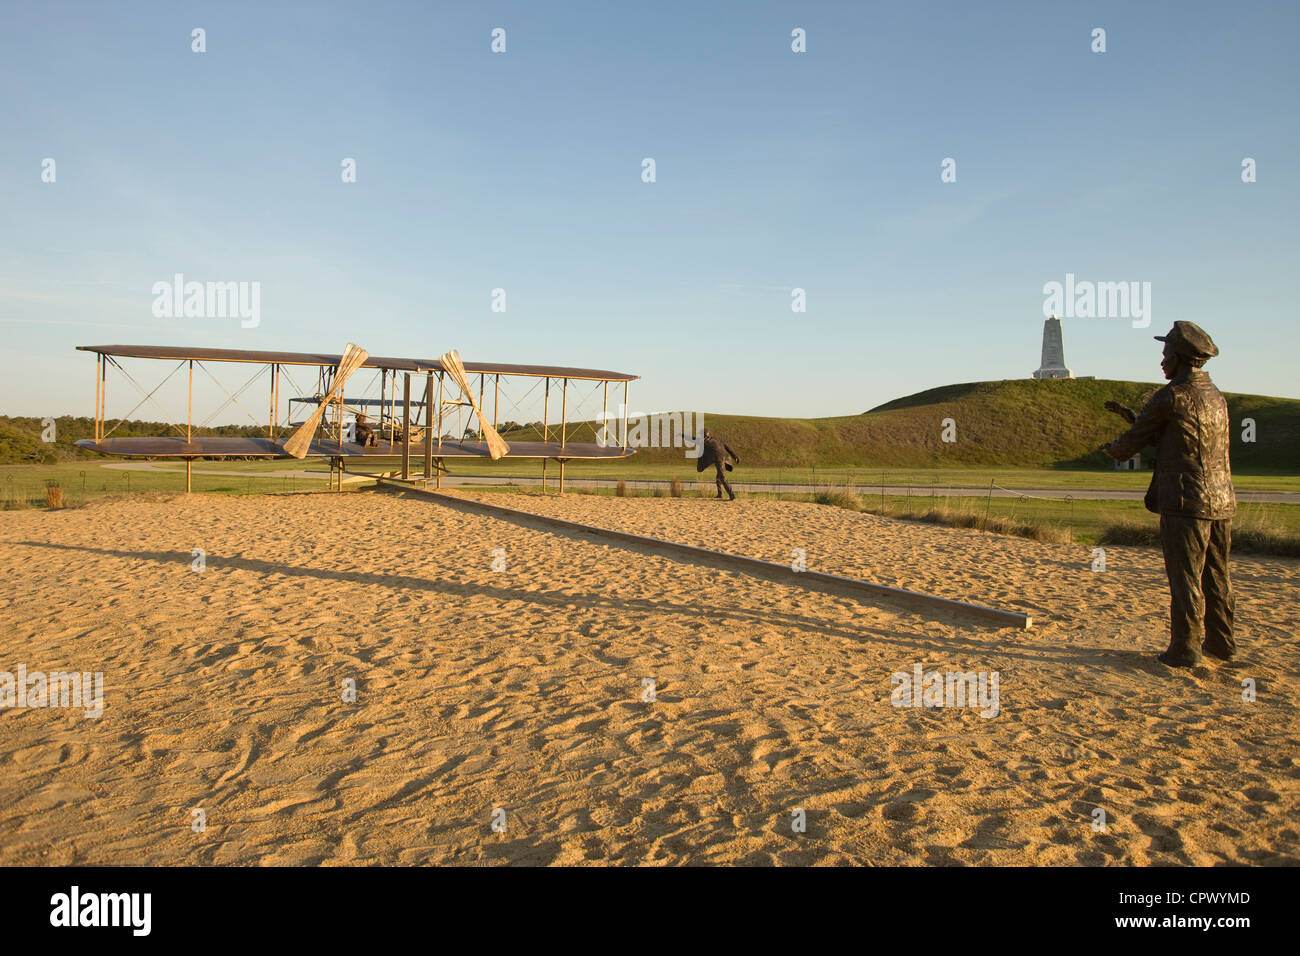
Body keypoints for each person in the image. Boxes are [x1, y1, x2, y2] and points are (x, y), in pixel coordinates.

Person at [1101, 321, 1236, 668]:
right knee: (1217, 574)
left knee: (1185, 575)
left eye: (1166, 354)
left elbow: (1132, 443)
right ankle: (1221, 642)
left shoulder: (1170, 396)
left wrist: (1113, 449)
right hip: (1221, 498)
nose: (1162, 360)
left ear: (1179, 357)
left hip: (1185, 500)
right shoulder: (1216, 396)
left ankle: (1185, 648)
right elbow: (1182, 438)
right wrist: (1134, 418)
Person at [696, 429, 740, 500]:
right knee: (718, 477)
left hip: (720, 460)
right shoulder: (717, 439)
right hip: (727, 458)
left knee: (722, 477)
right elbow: (728, 448)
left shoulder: (704, 442)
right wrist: (735, 457)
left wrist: (682, 435)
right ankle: (720, 494)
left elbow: (692, 439)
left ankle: (732, 495)